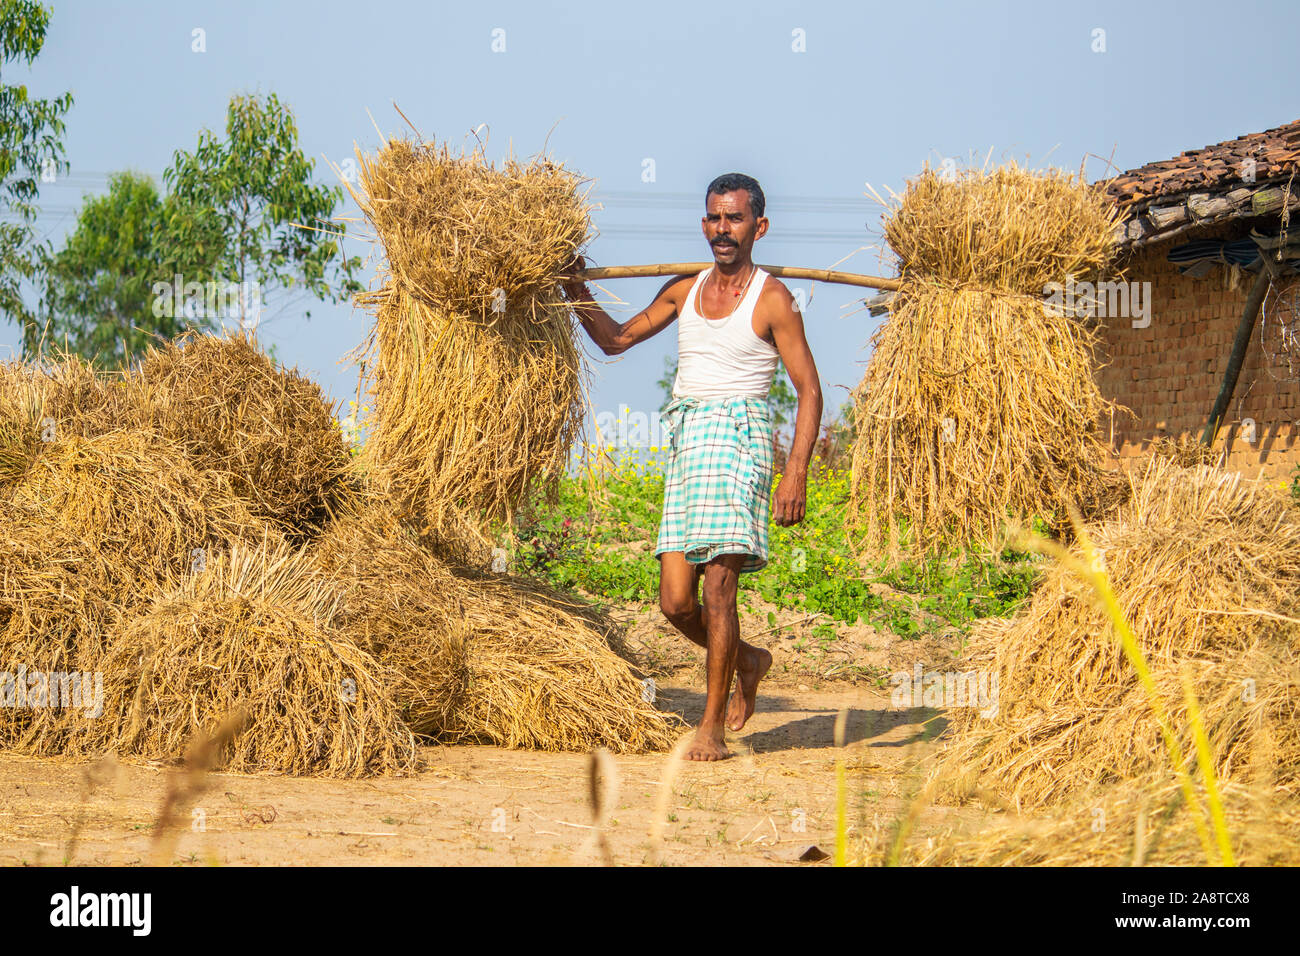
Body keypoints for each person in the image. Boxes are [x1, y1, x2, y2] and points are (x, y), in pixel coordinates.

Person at [561, 172, 822, 761]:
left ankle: (711, 729)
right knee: (676, 601)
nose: (720, 230)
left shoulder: (773, 300)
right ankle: (748, 660)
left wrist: (796, 470)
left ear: (760, 227)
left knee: (720, 589)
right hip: (687, 442)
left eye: (732, 219)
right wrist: (573, 289)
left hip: (740, 441)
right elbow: (617, 339)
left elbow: (809, 390)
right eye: (712, 218)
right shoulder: (685, 291)